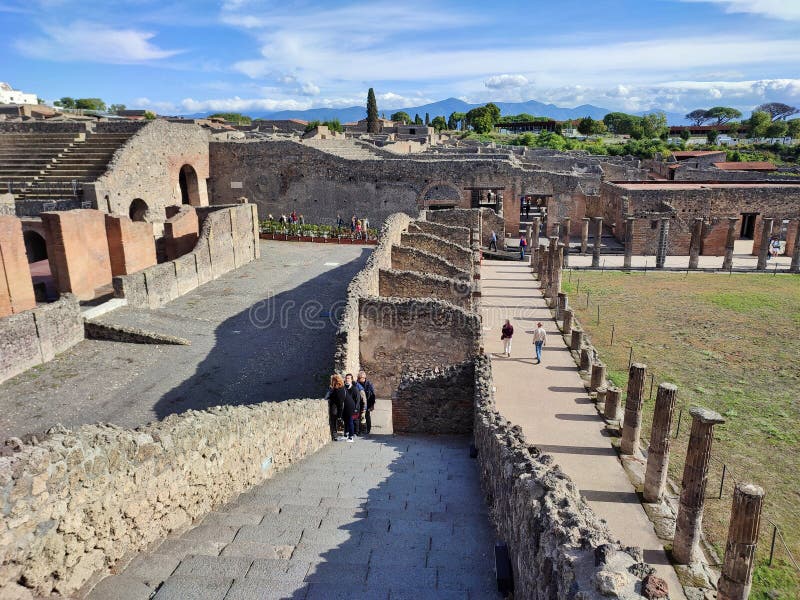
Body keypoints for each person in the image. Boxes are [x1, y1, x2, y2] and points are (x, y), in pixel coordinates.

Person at [325, 374, 346, 441]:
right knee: (337, 423)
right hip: (340, 408)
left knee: (333, 423)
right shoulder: (342, 388)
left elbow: (327, 397)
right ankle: (337, 435)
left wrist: (339, 414)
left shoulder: (335, 390)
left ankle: (335, 436)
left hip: (335, 409)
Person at [357, 371, 376, 435]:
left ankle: (368, 429)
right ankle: (360, 429)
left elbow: (372, 395)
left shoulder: (369, 384)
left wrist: (372, 404)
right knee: (359, 416)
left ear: (364, 378)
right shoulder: (357, 384)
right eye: (359, 378)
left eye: (361, 378)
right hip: (360, 402)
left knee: (367, 415)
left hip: (368, 402)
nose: (359, 379)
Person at [343, 373, 360, 442]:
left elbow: (358, 400)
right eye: (346, 378)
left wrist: (356, 408)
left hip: (352, 408)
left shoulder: (355, 389)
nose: (347, 380)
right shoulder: (344, 388)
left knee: (351, 422)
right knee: (346, 421)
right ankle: (346, 435)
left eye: (348, 378)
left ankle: (351, 437)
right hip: (345, 408)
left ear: (351, 379)